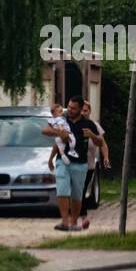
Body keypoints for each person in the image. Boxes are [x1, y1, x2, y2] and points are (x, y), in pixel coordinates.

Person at [42, 96, 104, 232]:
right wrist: (59, 132)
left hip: (81, 164)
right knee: (62, 189)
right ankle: (64, 222)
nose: (69, 110)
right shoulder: (61, 119)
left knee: (77, 194)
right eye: (69, 107)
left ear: (81, 109)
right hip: (62, 161)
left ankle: (74, 222)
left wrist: (92, 136)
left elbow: (100, 142)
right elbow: (45, 130)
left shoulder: (88, 124)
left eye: (73, 108)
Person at [77, 101, 110, 230]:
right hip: (75, 163)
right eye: (81, 110)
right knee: (79, 190)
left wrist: (106, 157)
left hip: (89, 165)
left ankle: (82, 217)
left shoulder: (94, 126)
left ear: (89, 112)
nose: (83, 113)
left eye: (85, 110)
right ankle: (83, 217)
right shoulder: (74, 124)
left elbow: (103, 144)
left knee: (82, 190)